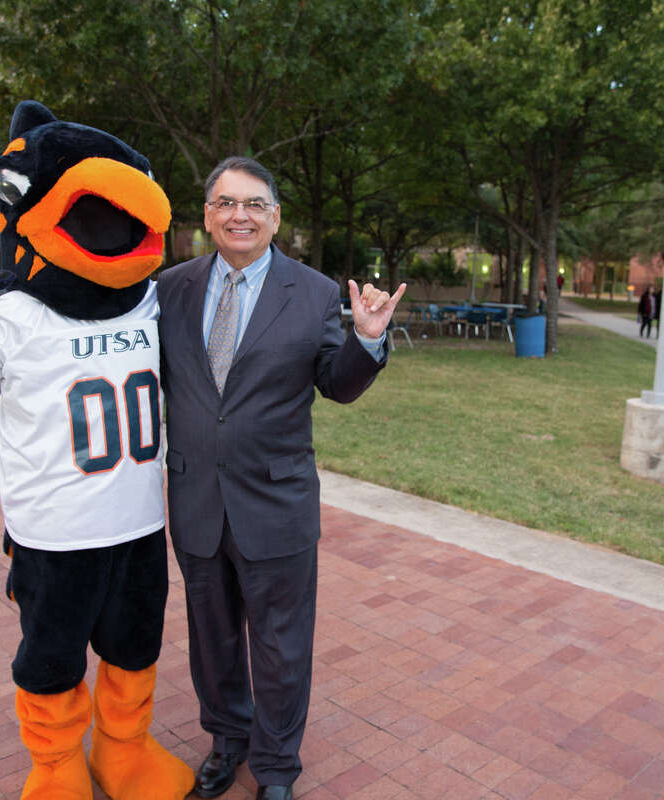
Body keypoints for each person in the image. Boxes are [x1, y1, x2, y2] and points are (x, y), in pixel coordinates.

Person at [157, 156, 405, 800]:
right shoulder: (169, 289)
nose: (241, 215)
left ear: (275, 217)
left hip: (277, 504)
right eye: (227, 203)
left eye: (255, 204)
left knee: (280, 648)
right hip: (196, 502)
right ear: (207, 215)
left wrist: (368, 340)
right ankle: (227, 741)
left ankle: (275, 768)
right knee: (211, 643)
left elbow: (337, 384)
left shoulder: (316, 292)